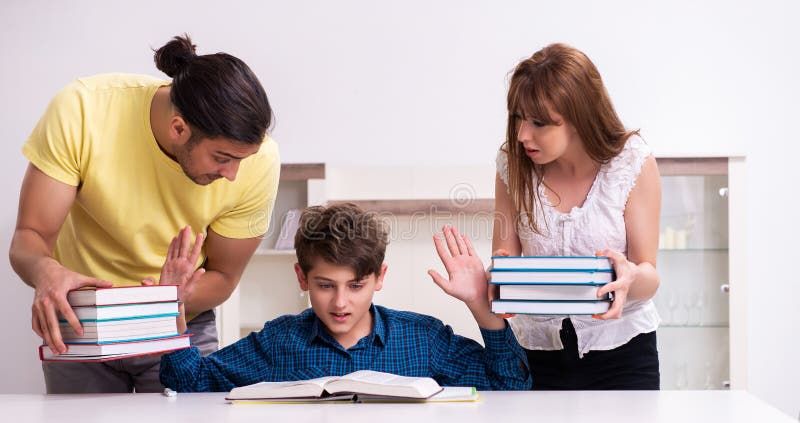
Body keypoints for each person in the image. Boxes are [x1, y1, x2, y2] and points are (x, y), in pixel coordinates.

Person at [9, 34, 280, 393]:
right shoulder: (83, 109)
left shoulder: (257, 161)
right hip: (83, 322)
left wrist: (167, 298)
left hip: (179, 320)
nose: (232, 175)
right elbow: (30, 238)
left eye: (240, 160)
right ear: (179, 128)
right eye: (222, 159)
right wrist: (46, 271)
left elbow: (224, 277)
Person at [160, 203, 530, 392]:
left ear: (379, 278)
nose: (340, 304)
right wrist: (173, 306)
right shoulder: (279, 341)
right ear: (301, 278)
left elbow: (512, 385)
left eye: (355, 286)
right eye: (325, 286)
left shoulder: (424, 339)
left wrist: (479, 305)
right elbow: (190, 383)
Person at [492, 43, 661, 390]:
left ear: (579, 118)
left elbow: (649, 276)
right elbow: (503, 263)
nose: (523, 134)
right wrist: (498, 287)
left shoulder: (632, 163)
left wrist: (628, 278)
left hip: (623, 352)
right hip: (536, 351)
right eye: (518, 118)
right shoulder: (512, 165)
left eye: (539, 122)